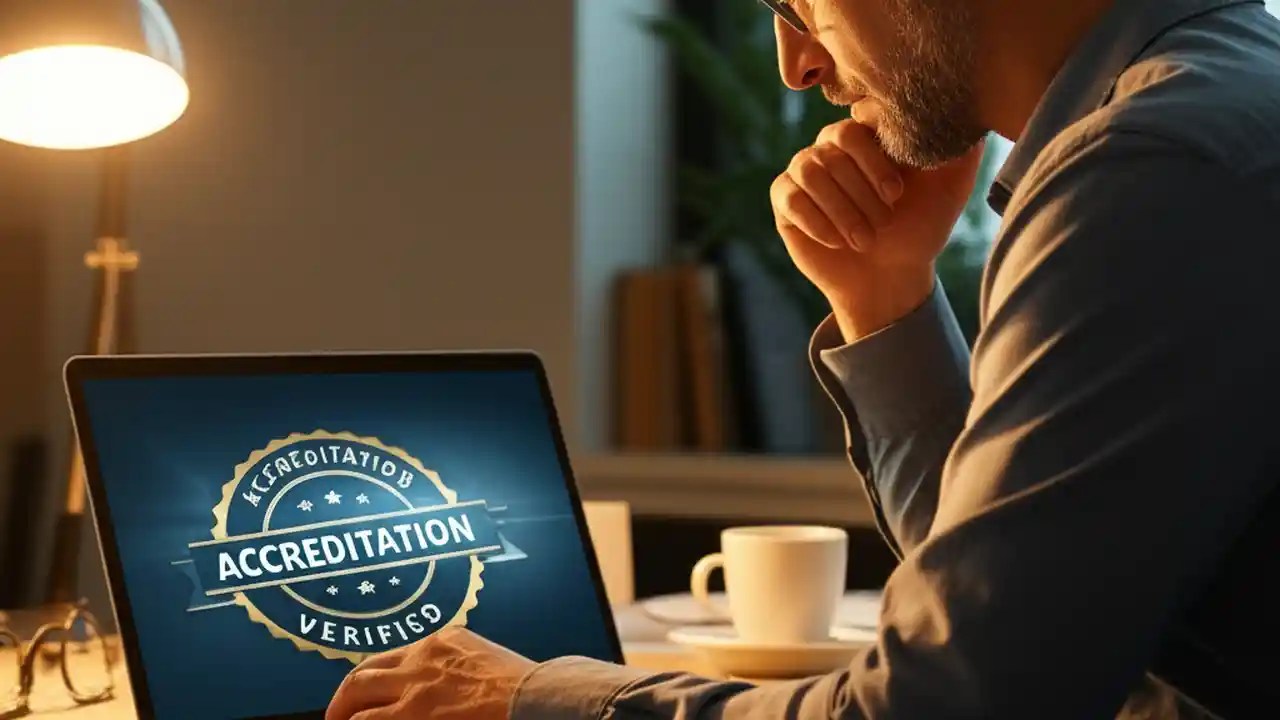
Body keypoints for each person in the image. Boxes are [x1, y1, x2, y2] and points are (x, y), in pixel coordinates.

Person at [325, 0, 1280, 717]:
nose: (794, 63)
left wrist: (537, 699)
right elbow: (1028, 624)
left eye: (795, 2)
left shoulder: (1153, 168)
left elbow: (951, 704)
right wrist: (882, 295)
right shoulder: (1213, 106)